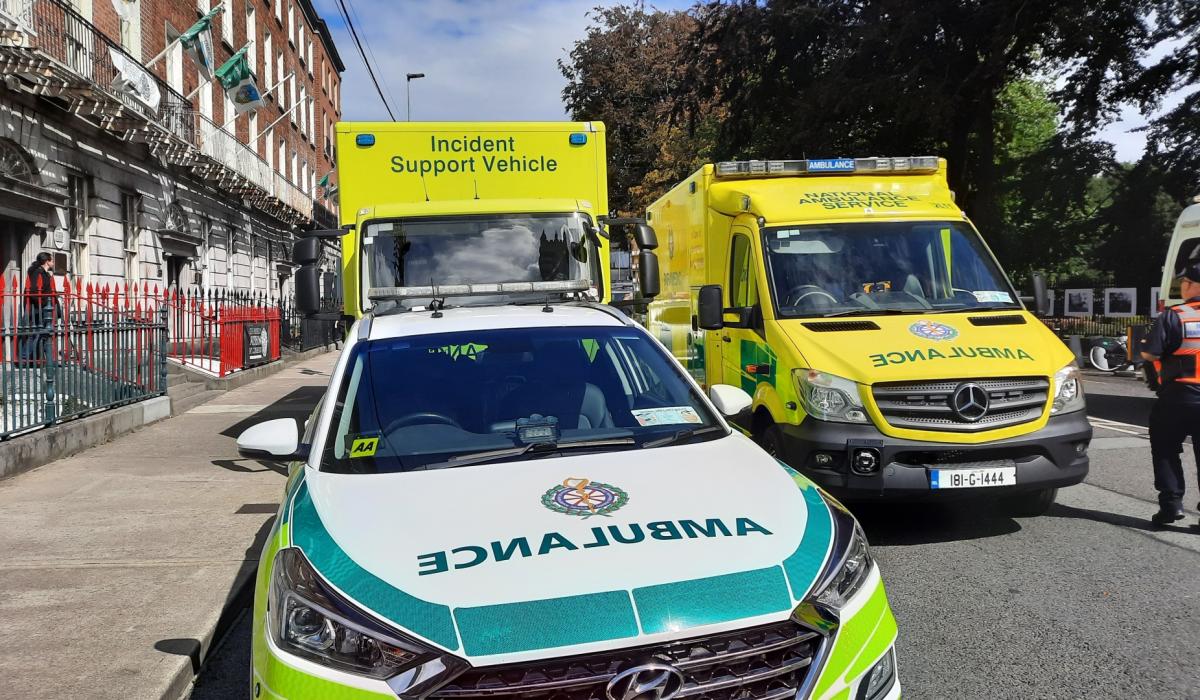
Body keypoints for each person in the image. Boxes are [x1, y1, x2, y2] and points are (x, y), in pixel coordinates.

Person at [1140, 261, 1200, 527]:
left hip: (1178, 395)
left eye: (1183, 283)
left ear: (1190, 285)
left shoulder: (1174, 316)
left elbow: (1150, 354)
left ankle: (1171, 505)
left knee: (1165, 448)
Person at [19, 252, 58, 365]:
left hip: (45, 309)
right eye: (52, 260)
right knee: (36, 334)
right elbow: (34, 292)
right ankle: (23, 358)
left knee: (46, 334)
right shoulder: (37, 273)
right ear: (47, 261)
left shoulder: (45, 274)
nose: (53, 262)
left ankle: (49, 359)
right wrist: (46, 302)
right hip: (38, 310)